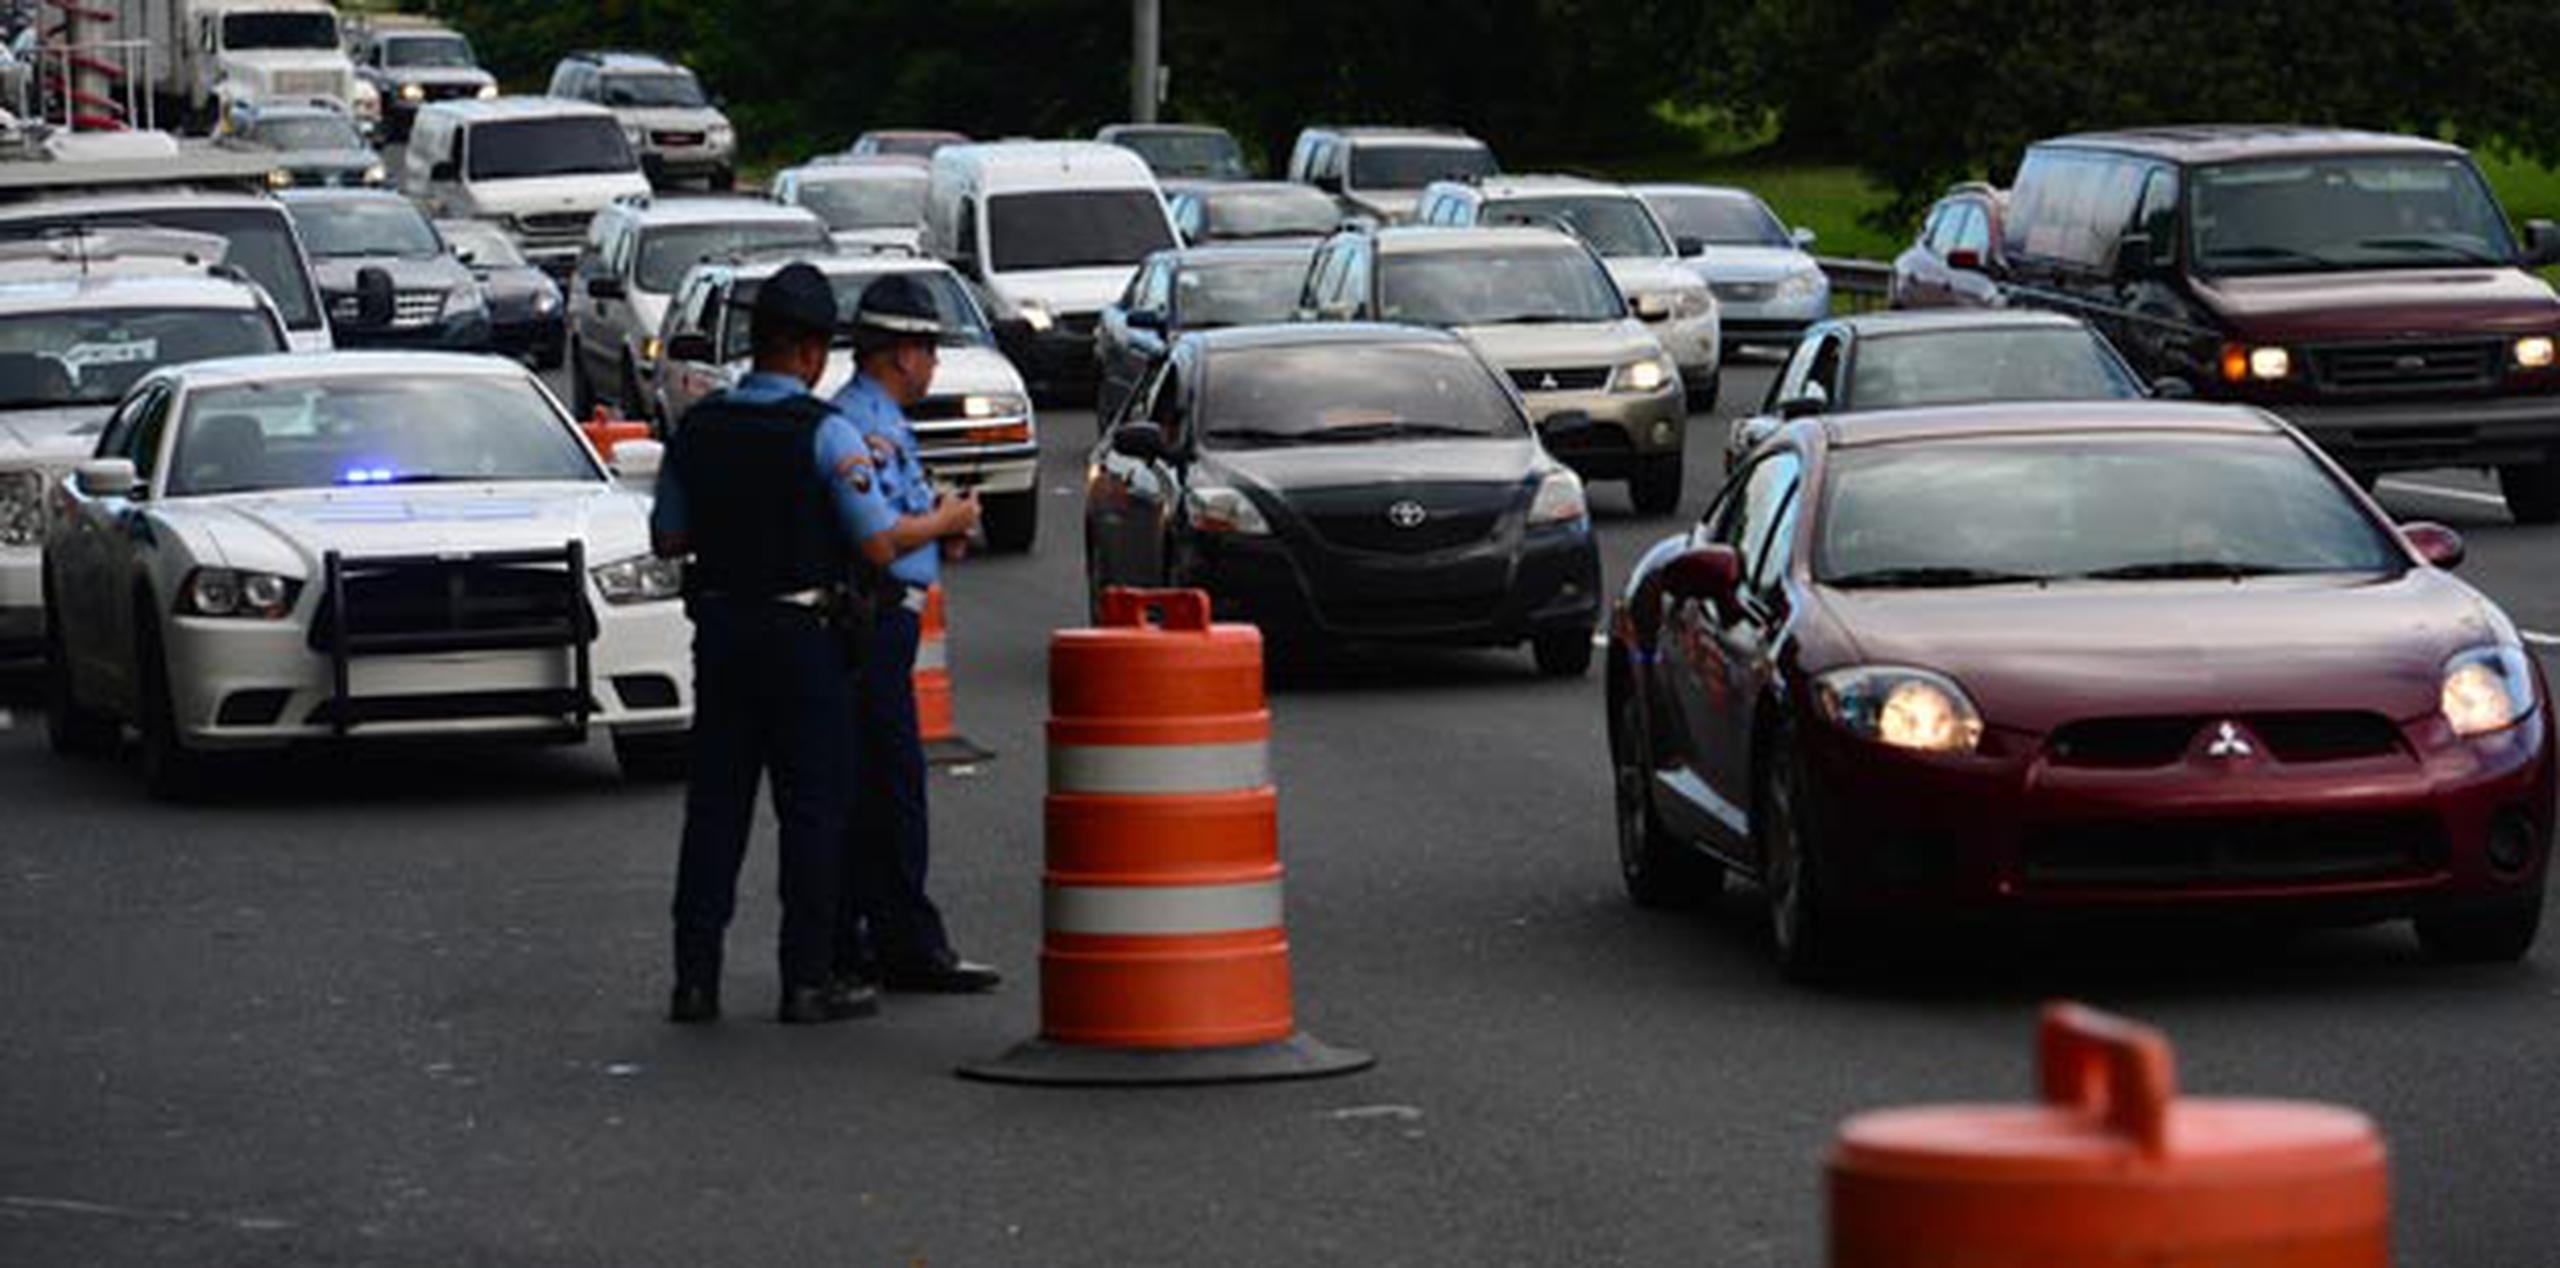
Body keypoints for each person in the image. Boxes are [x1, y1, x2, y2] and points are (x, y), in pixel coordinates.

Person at [649, 262, 890, 1026]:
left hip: (722, 631)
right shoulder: (827, 432)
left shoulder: (698, 428)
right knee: (812, 810)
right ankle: (806, 981)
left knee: (715, 809)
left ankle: (695, 981)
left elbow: (667, 537)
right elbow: (876, 543)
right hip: (802, 636)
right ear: (813, 352)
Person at [830, 273, 1002, 995]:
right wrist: (946, 521)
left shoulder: (884, 421)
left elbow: (902, 511)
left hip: (889, 615)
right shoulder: (860, 425)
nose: (932, 363)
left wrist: (938, 524)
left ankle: (875, 932)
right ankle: (901, 939)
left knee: (882, 782)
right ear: (900, 353)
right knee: (889, 785)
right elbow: (876, 534)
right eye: (928, 349)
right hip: (874, 616)